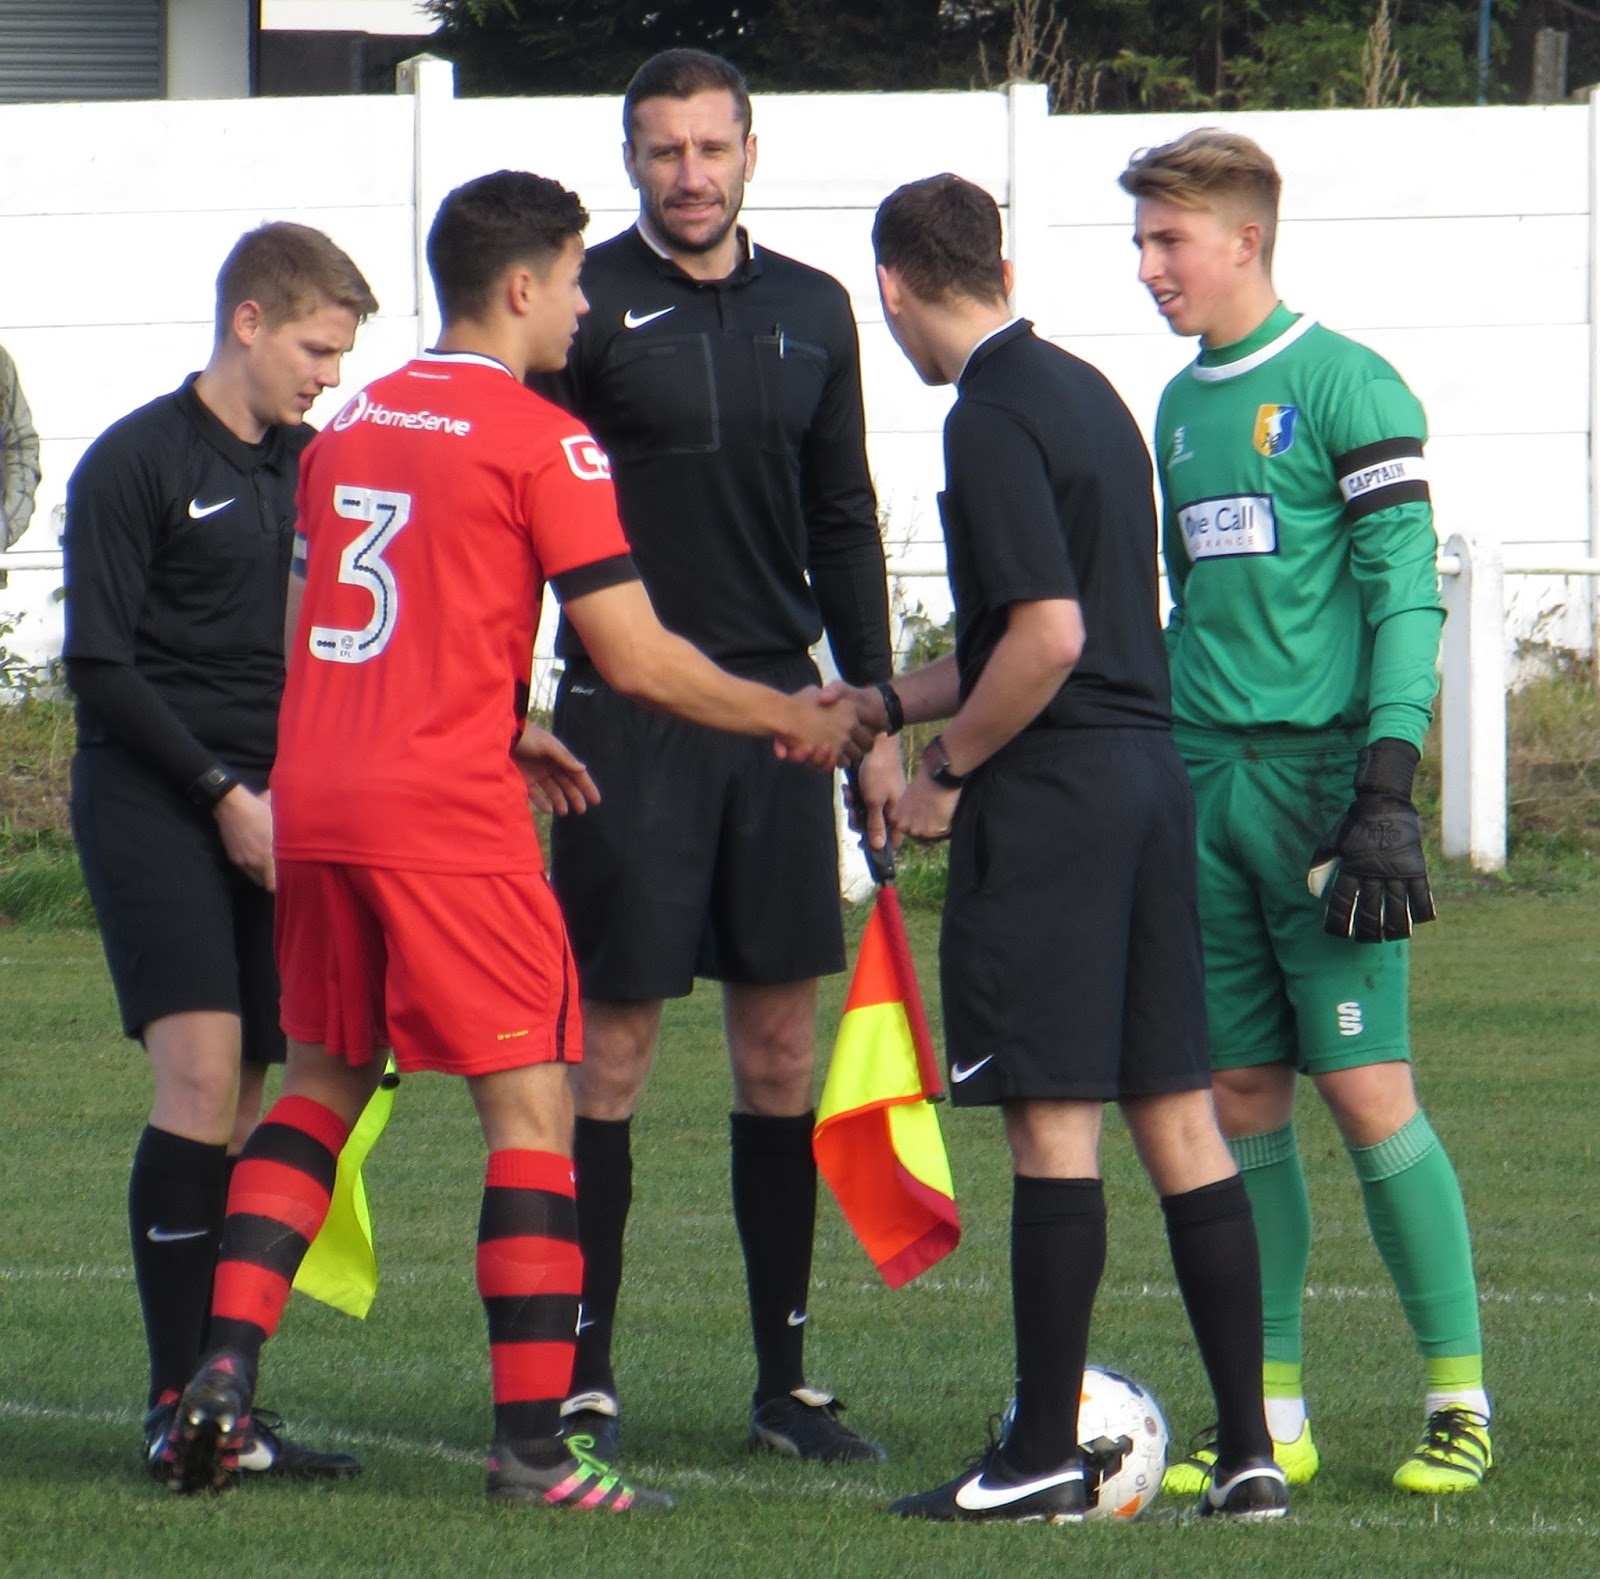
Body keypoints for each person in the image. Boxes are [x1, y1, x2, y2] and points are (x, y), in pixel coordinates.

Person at [157, 169, 864, 1509]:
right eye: (580, 278)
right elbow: (640, 655)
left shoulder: (350, 421)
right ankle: (537, 1448)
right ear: (526, 285)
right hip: (443, 822)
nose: (591, 304)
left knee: (318, 1079)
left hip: (323, 798)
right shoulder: (547, 438)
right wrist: (791, 713)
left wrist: (500, 717)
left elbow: (332, 618)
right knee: (534, 1110)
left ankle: (226, 1365)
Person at [839, 172, 1286, 1523]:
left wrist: (942, 774)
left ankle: (1038, 1449)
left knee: (1051, 1114)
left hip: (1058, 802)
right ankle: (1251, 1450)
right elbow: (1044, 634)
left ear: (894, 289)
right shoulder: (1085, 393)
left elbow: (1046, 640)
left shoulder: (984, 419)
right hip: (1149, 780)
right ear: (1006, 269)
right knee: (1173, 1111)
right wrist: (881, 701)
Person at [532, 47, 902, 1464]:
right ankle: (581, 1368)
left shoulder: (814, 308)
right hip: (625, 724)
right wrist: (515, 699)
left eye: (710, 146)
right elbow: (526, 519)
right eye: (662, 150)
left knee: (780, 1044)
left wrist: (870, 715)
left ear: (753, 150)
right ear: (632, 161)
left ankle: (784, 1382)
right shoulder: (587, 310)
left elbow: (844, 518)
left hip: (782, 732)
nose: (688, 172)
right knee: (612, 1047)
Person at [1121, 128, 1491, 1496]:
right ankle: (1265, 1409)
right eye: (1145, 239)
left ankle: (1460, 1395)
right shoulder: (1172, 406)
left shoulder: (1348, 382)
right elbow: (1184, 607)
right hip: (1201, 788)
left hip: (1322, 790)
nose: (1151, 265)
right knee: (1236, 1093)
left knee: (1364, 1083)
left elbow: (1405, 591)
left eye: (1171, 239)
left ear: (1245, 241)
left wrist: (1386, 786)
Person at [62, 222, 376, 1484]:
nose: (328, 376)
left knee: (271, 1097)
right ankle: (165, 1399)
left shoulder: (319, 470)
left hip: (290, 807)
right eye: (314, 348)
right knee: (198, 1082)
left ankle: (226, 1397)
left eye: (343, 355)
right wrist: (221, 795)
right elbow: (99, 667)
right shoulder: (133, 460)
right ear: (248, 322)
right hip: (157, 799)